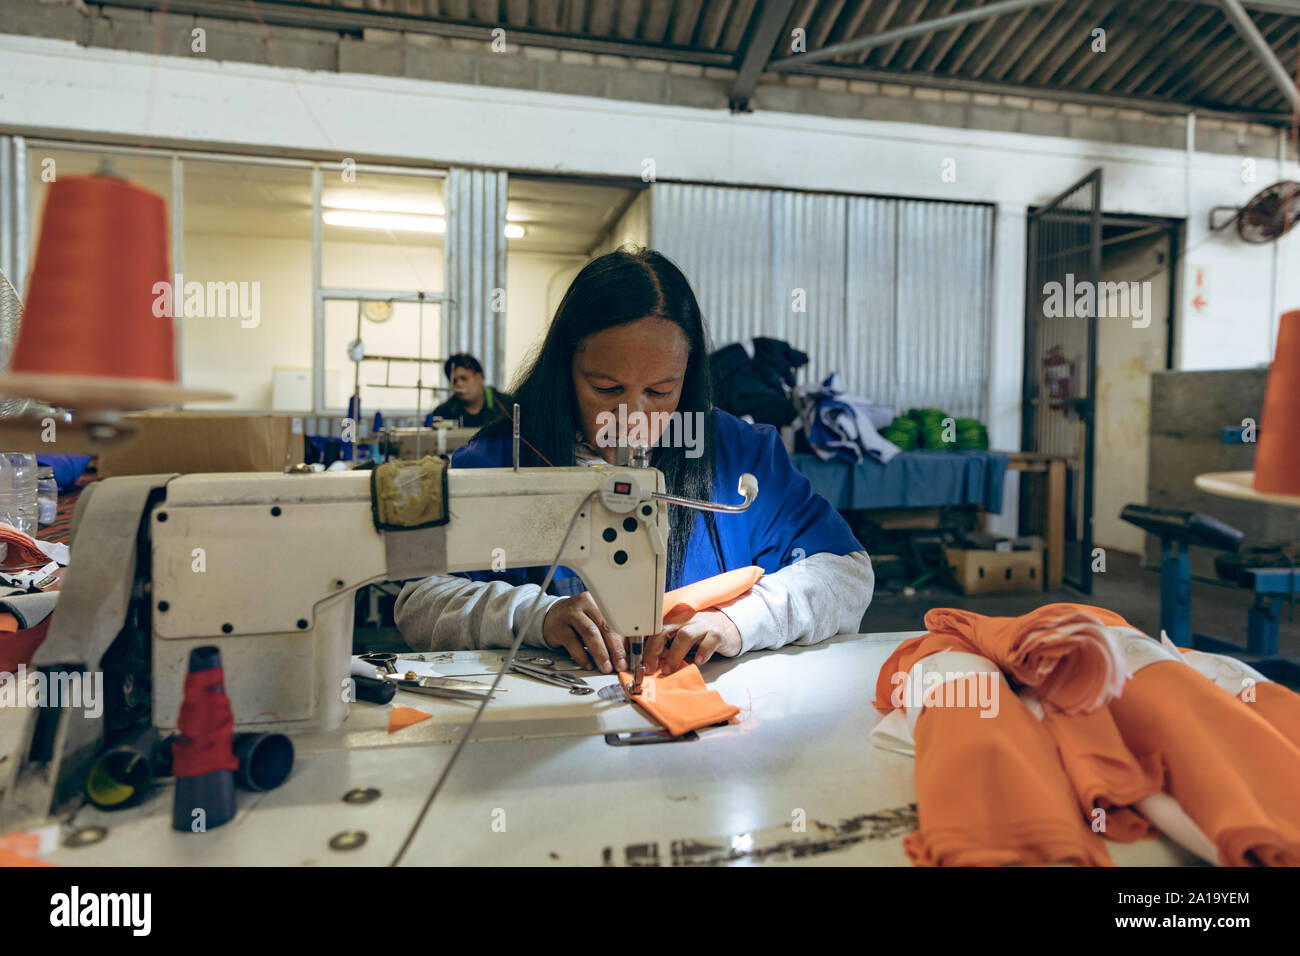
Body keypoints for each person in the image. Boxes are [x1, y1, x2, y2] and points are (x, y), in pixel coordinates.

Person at [395, 248, 874, 676]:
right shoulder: (502, 458)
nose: (632, 417)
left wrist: (738, 621)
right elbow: (418, 601)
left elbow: (848, 573)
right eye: (606, 389)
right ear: (565, 371)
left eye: (660, 391)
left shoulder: (739, 453)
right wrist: (533, 615)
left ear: (687, 377)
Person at [430, 353, 512, 428]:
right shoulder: (442, 413)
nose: (459, 384)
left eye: (464, 378)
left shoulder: (506, 406)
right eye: (454, 381)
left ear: (480, 377)